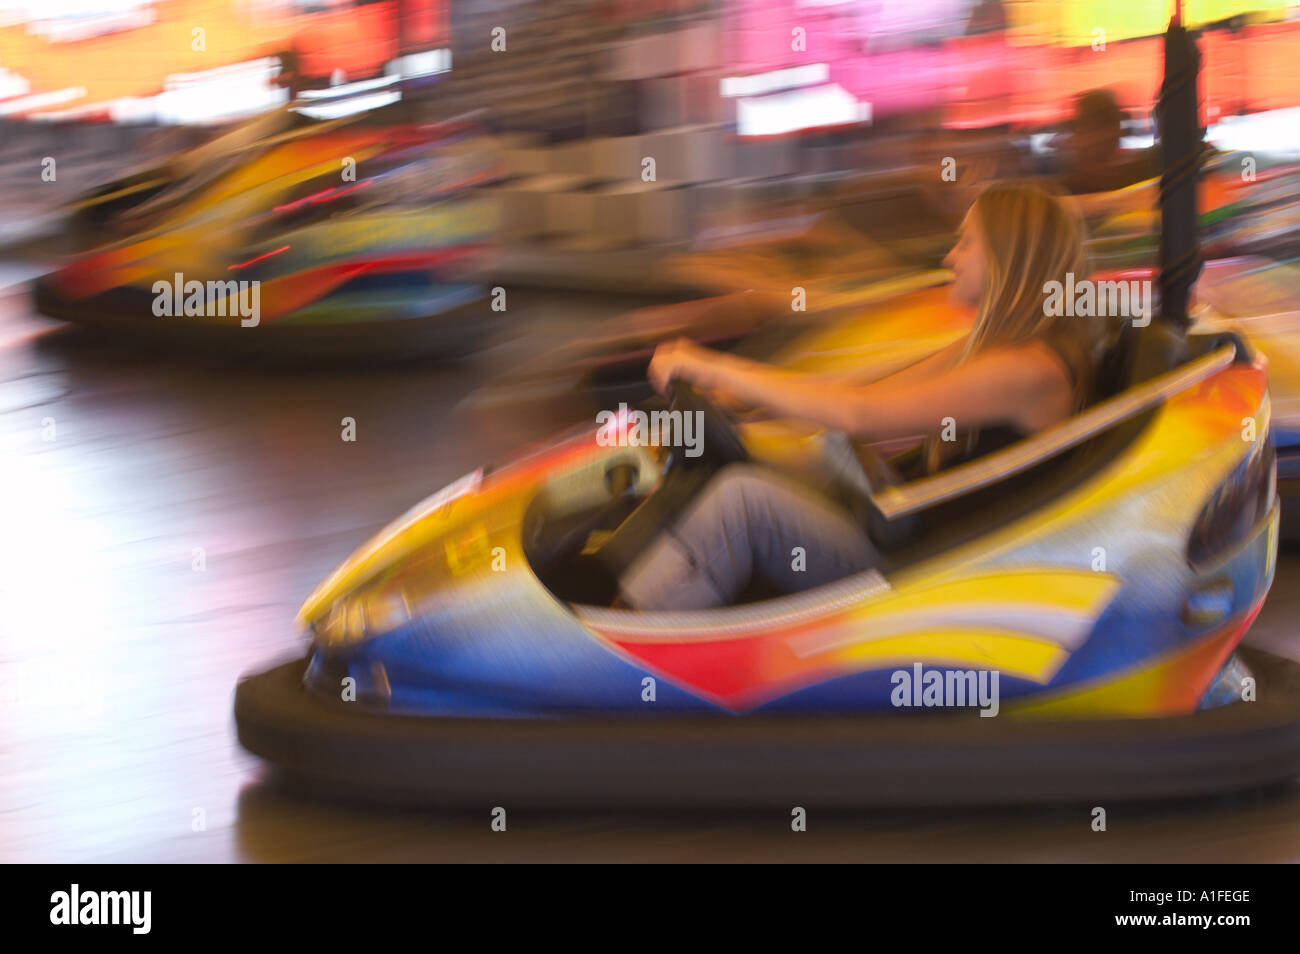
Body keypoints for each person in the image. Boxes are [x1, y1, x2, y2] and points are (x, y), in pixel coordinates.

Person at [618, 180, 1099, 611]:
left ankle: (606, 652)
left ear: (1008, 255)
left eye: (967, 242)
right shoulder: (996, 349)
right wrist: (747, 397)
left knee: (744, 503)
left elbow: (856, 414)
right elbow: (855, 388)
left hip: (933, 580)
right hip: (916, 543)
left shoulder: (1028, 370)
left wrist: (712, 362)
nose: (950, 257)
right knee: (771, 464)